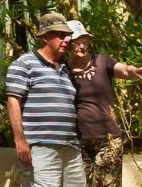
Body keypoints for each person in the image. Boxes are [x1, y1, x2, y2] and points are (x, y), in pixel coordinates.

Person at [64, 20, 142, 187]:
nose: (82, 45)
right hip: (79, 141)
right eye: (76, 42)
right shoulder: (64, 70)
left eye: (84, 40)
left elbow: (125, 70)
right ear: (68, 45)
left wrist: (135, 71)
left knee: (108, 185)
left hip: (108, 139)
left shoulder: (103, 61)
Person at [5, 11, 84, 187]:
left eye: (69, 36)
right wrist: (20, 140)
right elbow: (13, 101)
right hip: (41, 146)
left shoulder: (65, 68)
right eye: (61, 35)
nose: (67, 40)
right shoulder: (24, 63)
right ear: (46, 37)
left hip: (70, 146)